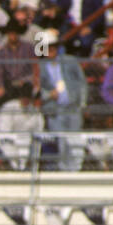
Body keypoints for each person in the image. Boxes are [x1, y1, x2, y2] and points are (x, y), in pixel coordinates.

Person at [38, 29, 88, 171]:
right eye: (47, 47)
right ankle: (63, 170)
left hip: (73, 107)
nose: (50, 50)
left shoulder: (70, 61)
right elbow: (36, 90)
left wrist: (82, 103)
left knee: (75, 141)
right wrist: (48, 95)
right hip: (55, 110)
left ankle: (76, 169)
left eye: (52, 46)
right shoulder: (40, 67)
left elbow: (81, 82)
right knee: (60, 142)